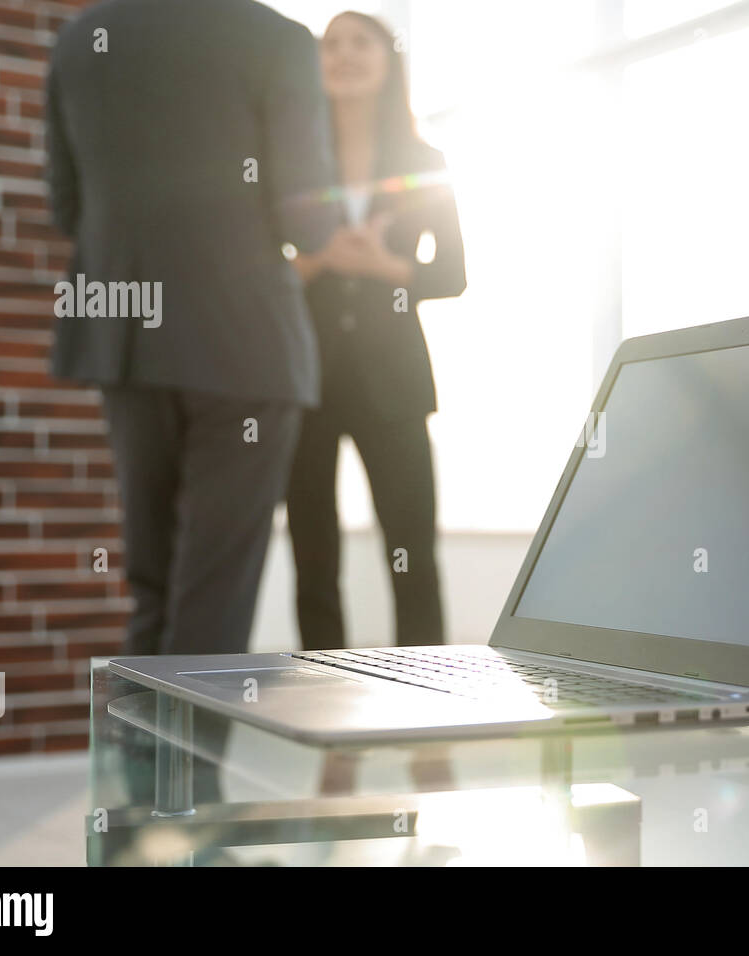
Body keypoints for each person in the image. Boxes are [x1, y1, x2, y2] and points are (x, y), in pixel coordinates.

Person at [45, 0, 341, 812]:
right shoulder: (275, 40)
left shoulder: (79, 42)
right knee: (213, 596)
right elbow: (306, 215)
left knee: (152, 587)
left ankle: (137, 814)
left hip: (125, 334)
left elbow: (66, 206)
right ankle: (187, 820)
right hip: (240, 339)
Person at [286, 11, 467, 653]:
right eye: (331, 44)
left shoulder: (424, 159)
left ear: (389, 61)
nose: (344, 54)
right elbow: (260, 265)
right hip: (306, 378)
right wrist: (317, 260)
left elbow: (452, 274)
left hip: (395, 379)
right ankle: (320, 706)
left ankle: (430, 705)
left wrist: (387, 266)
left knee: (411, 548)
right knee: (312, 555)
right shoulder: (296, 160)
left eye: (360, 42)